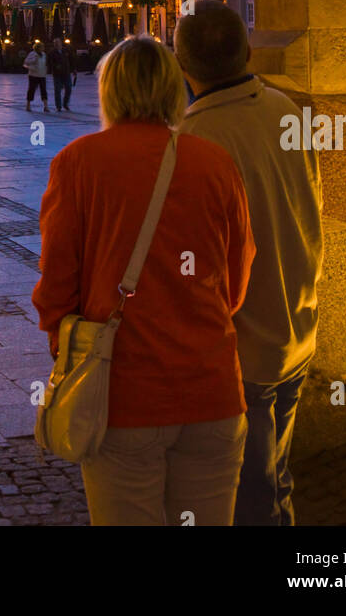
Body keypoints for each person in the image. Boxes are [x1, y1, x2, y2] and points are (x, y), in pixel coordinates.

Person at [33, 35, 254, 527]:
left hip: (122, 396)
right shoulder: (215, 162)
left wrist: (67, 344)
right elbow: (236, 281)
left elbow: (56, 287)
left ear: (109, 91)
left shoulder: (78, 162)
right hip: (211, 392)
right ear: (175, 90)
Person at [174, 0, 323, 527]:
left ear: (183, 66)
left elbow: (194, 266)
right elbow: (313, 206)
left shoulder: (192, 141)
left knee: (250, 494)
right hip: (297, 324)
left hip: (242, 350)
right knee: (276, 477)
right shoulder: (285, 109)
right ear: (247, 51)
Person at [47, 37, 73, 112]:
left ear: (61, 43)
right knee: (57, 90)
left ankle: (65, 103)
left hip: (66, 73)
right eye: (55, 43)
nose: (56, 44)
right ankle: (58, 106)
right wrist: (54, 66)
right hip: (57, 74)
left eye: (58, 43)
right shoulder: (51, 52)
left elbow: (71, 59)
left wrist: (73, 69)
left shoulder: (66, 50)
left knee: (69, 88)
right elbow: (49, 62)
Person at [24, 40, 49, 112]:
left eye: (43, 47)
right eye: (41, 47)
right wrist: (33, 61)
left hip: (42, 75)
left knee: (43, 90)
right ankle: (28, 105)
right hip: (33, 75)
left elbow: (45, 63)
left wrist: (46, 70)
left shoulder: (44, 54)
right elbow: (26, 62)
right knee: (31, 90)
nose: (42, 48)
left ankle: (46, 106)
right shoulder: (32, 54)